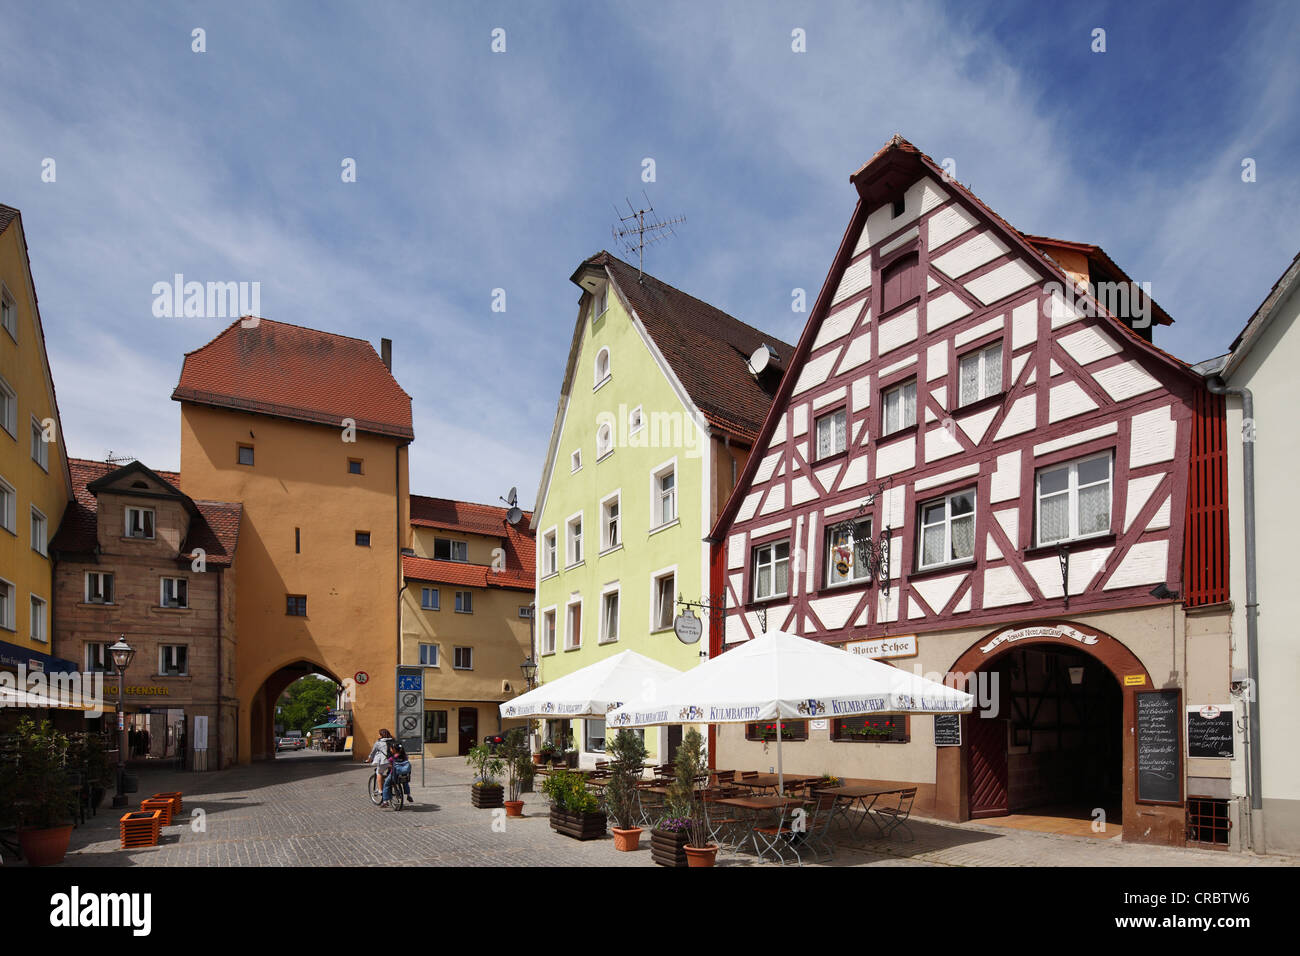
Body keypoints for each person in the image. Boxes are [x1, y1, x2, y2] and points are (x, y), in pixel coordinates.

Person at [382, 740, 414, 806]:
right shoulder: (405, 756)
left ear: (394, 749)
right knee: (405, 783)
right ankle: (408, 795)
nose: (390, 750)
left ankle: (385, 801)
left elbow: (388, 765)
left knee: (386, 784)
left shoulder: (392, 758)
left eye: (391, 748)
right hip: (404, 774)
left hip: (394, 775)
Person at [367, 729, 394, 804]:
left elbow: (373, 752)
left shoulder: (379, 742)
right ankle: (392, 787)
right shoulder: (393, 740)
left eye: (379, 734)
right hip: (393, 761)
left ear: (381, 735)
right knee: (390, 774)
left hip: (384, 761)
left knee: (379, 772)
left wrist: (369, 759)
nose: (378, 735)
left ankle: (380, 790)